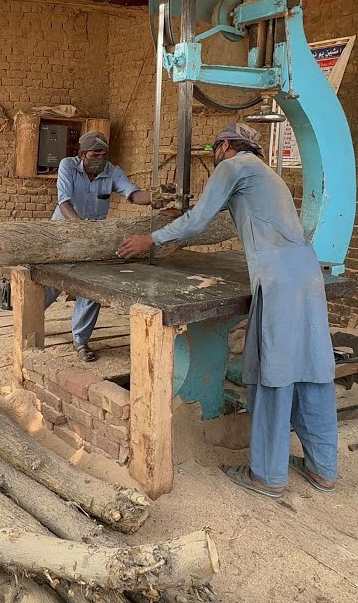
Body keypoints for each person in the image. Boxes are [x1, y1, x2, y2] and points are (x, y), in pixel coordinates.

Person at [118, 122, 338, 498]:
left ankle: (267, 476)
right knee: (312, 372)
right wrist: (180, 215)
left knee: (275, 372)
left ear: (223, 146)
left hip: (278, 282)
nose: (215, 155)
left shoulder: (232, 167)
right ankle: (323, 469)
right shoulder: (264, 173)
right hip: (307, 275)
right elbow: (213, 212)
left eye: (215, 149)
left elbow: (201, 220)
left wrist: (149, 239)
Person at [46, 131, 161, 362]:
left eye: (103, 154)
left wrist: (158, 197)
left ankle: (80, 341)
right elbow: (64, 200)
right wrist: (80, 227)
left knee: (92, 287)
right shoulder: (67, 166)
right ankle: (26, 317)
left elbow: (133, 194)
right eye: (95, 154)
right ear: (82, 154)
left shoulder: (112, 171)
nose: (100, 158)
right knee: (50, 282)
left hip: (93, 242)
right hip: (63, 234)